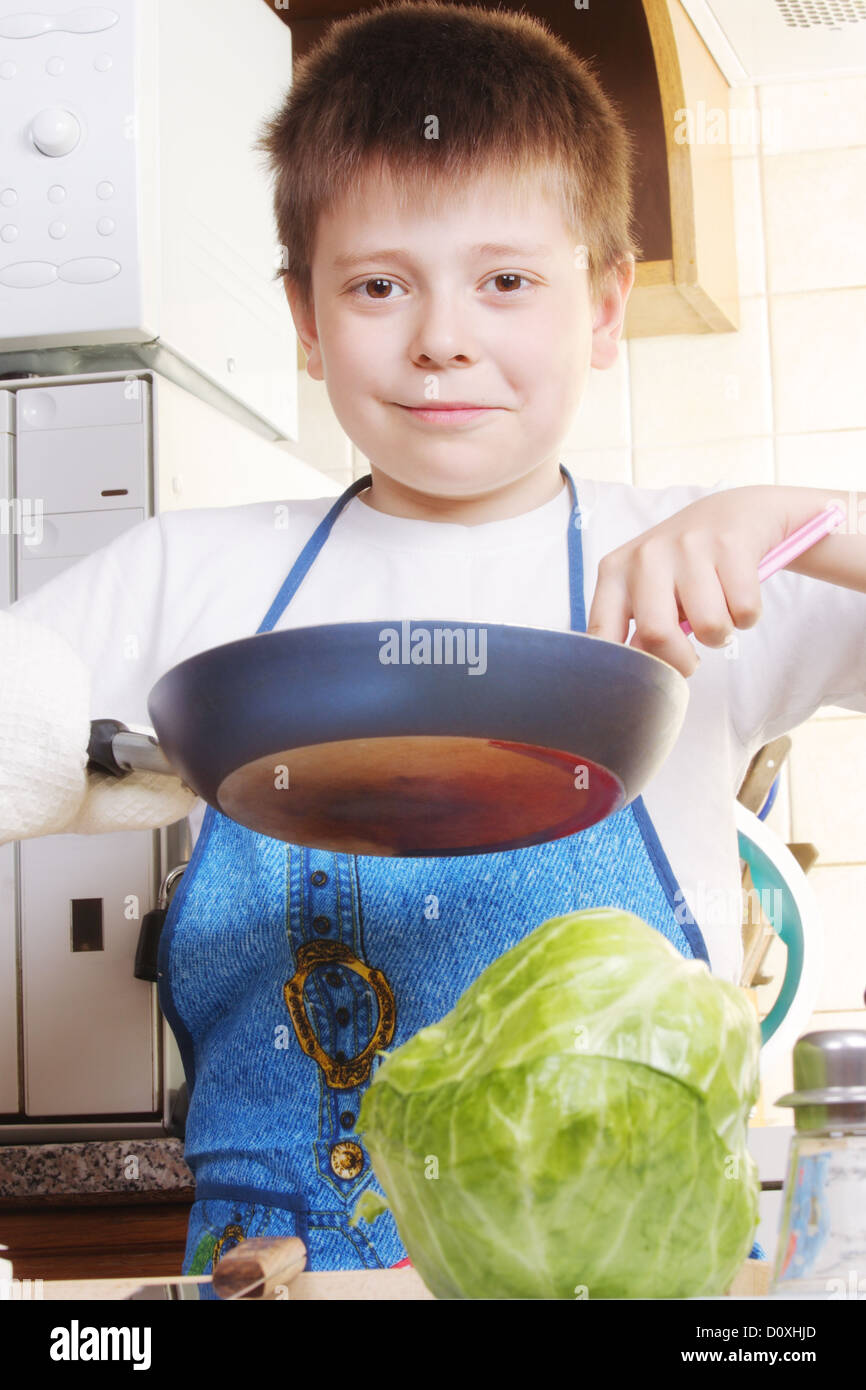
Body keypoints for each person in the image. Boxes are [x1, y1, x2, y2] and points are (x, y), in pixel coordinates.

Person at [2, 1, 865, 1282]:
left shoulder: (700, 571)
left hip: (614, 1282)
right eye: (375, 285)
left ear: (607, 304)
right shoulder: (189, 572)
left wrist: (807, 524)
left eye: (506, 279)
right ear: (302, 315)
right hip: (277, 1278)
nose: (440, 336)